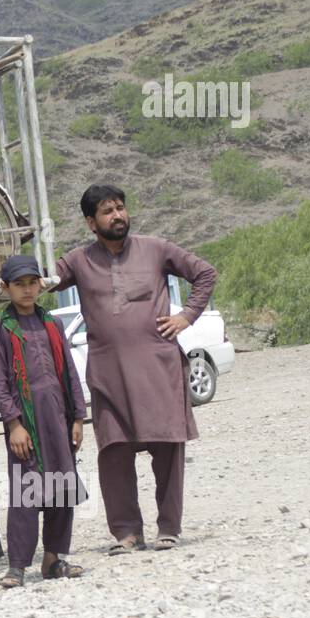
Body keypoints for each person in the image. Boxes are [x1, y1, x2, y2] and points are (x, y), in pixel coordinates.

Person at [52, 184, 217, 554]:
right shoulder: (79, 260)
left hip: (159, 369)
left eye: (121, 208)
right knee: (114, 452)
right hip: (108, 375)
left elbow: (205, 273)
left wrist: (186, 316)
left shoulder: (156, 249)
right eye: (108, 211)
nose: (118, 216)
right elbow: (43, 281)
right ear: (90, 222)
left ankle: (168, 528)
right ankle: (126, 533)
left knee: (168, 449)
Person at [0, 254, 89, 588]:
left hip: (58, 419)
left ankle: (53, 559)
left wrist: (78, 417)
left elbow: (69, 373)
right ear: (6, 288)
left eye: (32, 282)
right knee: (26, 492)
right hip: (25, 425)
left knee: (62, 486)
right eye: (19, 284)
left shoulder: (52, 324)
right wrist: (13, 423)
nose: (27, 290)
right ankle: (17, 566)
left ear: (40, 284)